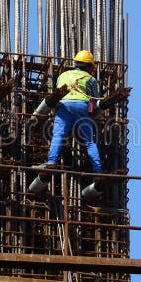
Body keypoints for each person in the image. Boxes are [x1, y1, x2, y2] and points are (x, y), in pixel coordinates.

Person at [28, 50, 104, 200]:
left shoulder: (63, 75)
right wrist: (91, 112)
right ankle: (98, 172)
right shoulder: (91, 79)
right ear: (89, 66)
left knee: (59, 136)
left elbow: (58, 91)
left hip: (64, 106)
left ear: (75, 63)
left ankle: (51, 162)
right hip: (82, 107)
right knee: (89, 142)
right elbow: (94, 101)